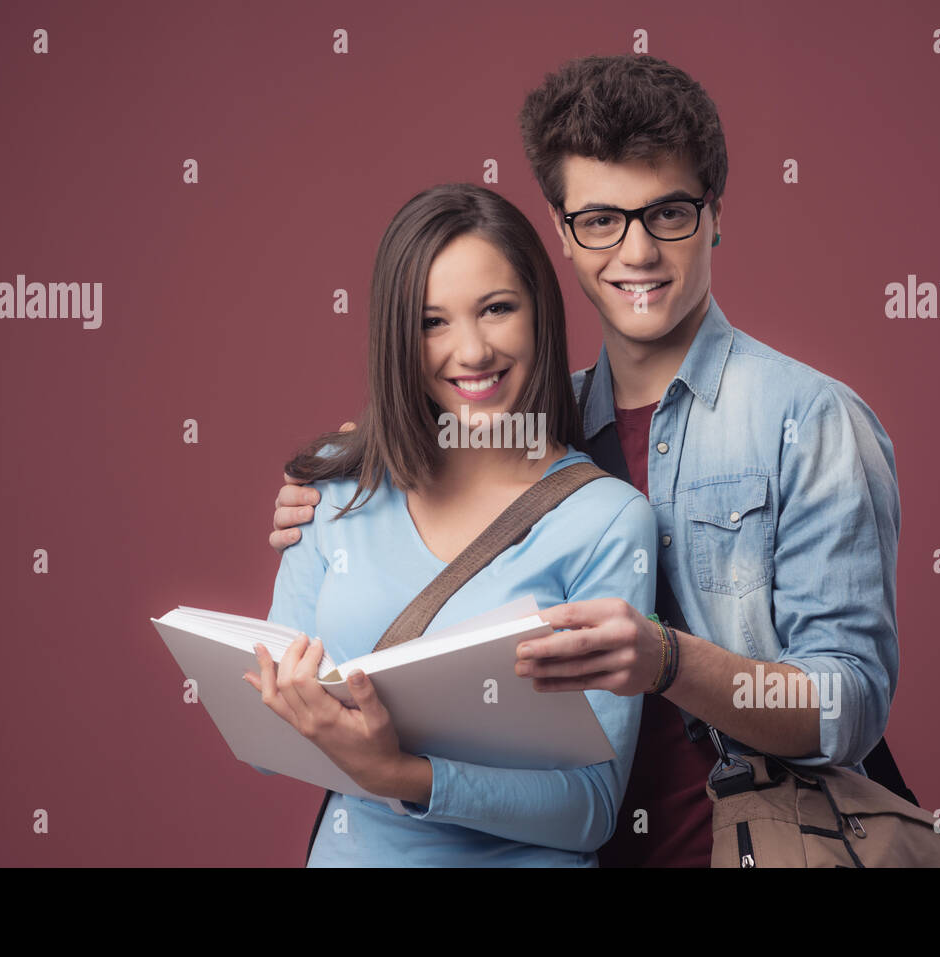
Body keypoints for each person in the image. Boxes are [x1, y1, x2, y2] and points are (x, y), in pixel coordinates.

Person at [271, 54, 901, 867]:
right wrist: (328, 490)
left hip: (736, 851)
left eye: (668, 212)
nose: (635, 252)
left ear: (715, 214)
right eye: (601, 219)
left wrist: (669, 660)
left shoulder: (807, 419)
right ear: (563, 232)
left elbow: (847, 704)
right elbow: (397, 476)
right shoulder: (525, 425)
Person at [245, 182, 657, 867]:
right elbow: (270, 737)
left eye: (497, 309)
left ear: (539, 315)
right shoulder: (336, 484)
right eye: (432, 322)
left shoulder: (607, 519)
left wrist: (402, 777)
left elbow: (592, 808)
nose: (470, 351)